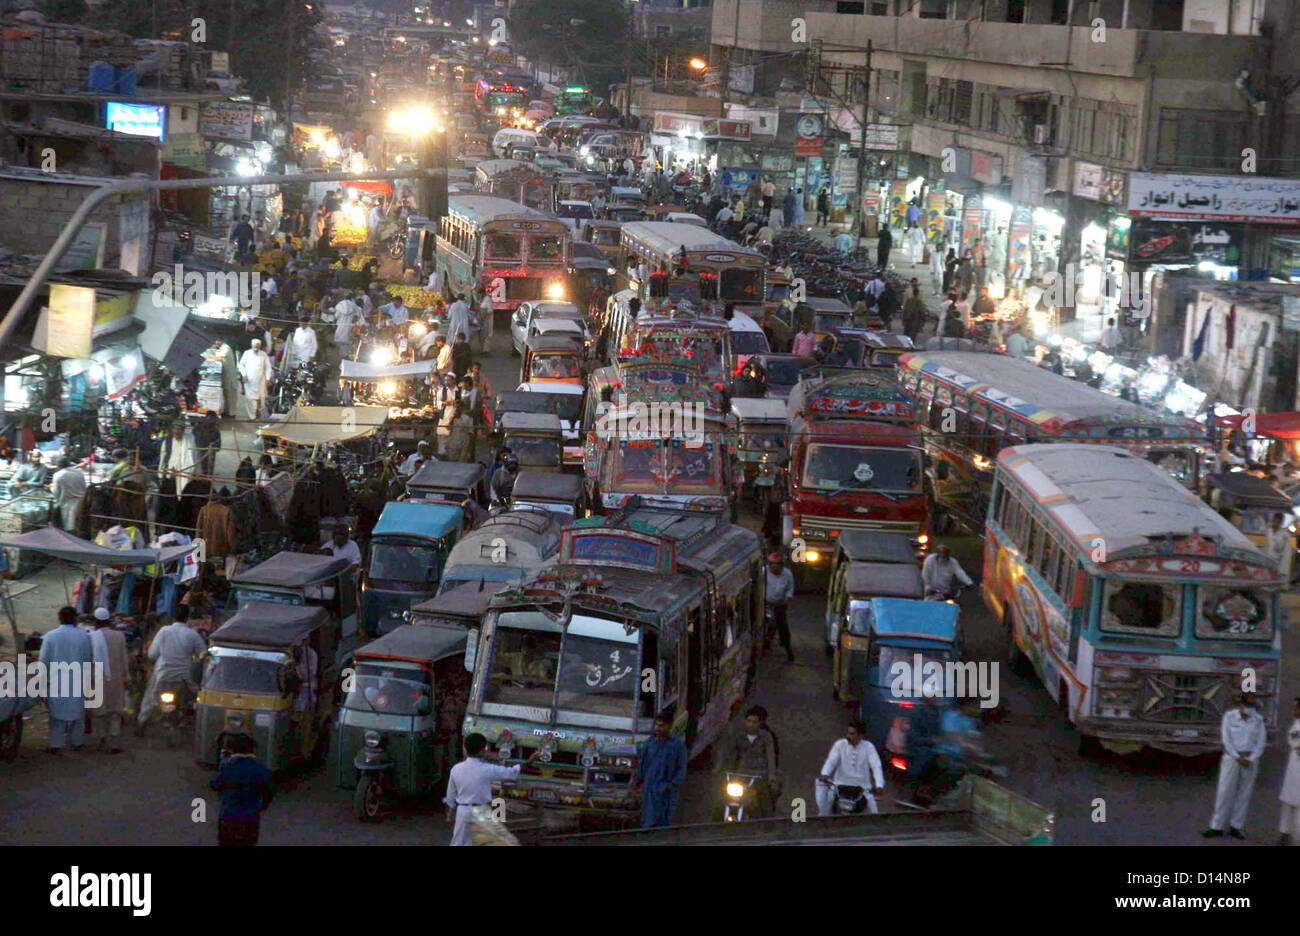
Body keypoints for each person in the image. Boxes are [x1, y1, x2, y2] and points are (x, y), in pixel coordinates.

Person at [445, 732, 543, 845]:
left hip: (462, 811)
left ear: (465, 749)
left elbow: (450, 798)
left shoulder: (456, 769)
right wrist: (530, 760)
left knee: (459, 843)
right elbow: (513, 772)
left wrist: (450, 815)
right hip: (481, 813)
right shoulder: (487, 769)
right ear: (483, 750)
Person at [1204, 692, 1267, 839]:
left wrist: (1251, 758)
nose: (1249, 709)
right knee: (1225, 792)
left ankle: (1236, 826)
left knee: (1244, 794)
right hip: (1232, 758)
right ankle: (1217, 826)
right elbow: (1226, 739)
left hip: (1250, 759)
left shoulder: (1258, 720)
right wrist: (1238, 757)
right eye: (1247, 705)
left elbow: (1261, 742)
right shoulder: (1230, 717)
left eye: (1252, 706)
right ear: (1241, 704)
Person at [136, 608, 208, 731]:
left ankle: (142, 721)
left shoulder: (164, 631)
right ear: (188, 619)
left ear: (173, 618)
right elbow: (204, 655)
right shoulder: (192, 635)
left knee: (149, 697)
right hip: (184, 677)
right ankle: (188, 721)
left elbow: (152, 655)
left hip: (162, 674)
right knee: (194, 698)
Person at [39, 607, 92, 753]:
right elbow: (87, 660)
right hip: (77, 680)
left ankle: (55, 744)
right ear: (75, 618)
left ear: (59, 618)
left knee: (56, 716)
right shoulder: (84, 637)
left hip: (56, 681)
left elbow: (43, 661)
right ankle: (76, 742)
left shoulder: (50, 636)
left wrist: (42, 683)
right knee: (77, 714)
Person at [210, 732, 275, 845]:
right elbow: (268, 793)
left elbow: (215, 785)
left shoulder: (226, 766)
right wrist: (262, 806)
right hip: (250, 817)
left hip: (228, 815)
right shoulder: (260, 768)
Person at [715, 706, 779, 817]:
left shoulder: (766, 736)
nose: (751, 724)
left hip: (760, 775)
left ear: (760, 723)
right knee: (723, 796)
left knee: (766, 799)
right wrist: (719, 768)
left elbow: (770, 756)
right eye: (749, 721)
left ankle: (767, 821)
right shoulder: (738, 735)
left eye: (754, 722)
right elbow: (728, 752)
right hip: (742, 773)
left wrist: (771, 775)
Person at [816, 720, 885, 816]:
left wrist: (879, 785)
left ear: (860, 736)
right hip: (839, 786)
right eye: (848, 733)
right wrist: (825, 773)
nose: (848, 736)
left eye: (852, 734)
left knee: (874, 814)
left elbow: (876, 767)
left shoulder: (869, 747)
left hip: (862, 789)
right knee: (824, 811)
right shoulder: (840, 745)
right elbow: (831, 761)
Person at [634, 713, 689, 828]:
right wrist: (637, 781)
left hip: (666, 792)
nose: (657, 728)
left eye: (661, 726)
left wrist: (672, 785)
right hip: (649, 789)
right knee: (647, 822)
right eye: (656, 725)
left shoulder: (677, 746)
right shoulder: (650, 743)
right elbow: (642, 764)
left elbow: (682, 768)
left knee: (663, 822)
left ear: (669, 727)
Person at [87, 607, 128, 754]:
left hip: (97, 678)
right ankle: (114, 742)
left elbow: (88, 659)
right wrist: (126, 676)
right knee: (115, 711)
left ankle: (101, 740)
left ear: (96, 622)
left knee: (99, 711)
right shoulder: (120, 636)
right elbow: (124, 659)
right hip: (115, 678)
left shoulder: (91, 636)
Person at [765, 552, 795, 661]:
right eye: (773, 565)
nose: (776, 568)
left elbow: (790, 589)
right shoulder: (764, 572)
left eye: (778, 565)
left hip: (780, 604)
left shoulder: (787, 574)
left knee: (783, 627)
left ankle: (788, 649)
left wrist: (786, 599)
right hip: (765, 603)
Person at [1279, 698, 1300, 845]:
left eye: (1295, 708)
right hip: (1294, 770)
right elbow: (1297, 747)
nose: (1293, 711)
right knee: (1289, 804)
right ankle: (1285, 834)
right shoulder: (1295, 727)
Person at [238, 338, 273, 420]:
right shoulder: (247, 353)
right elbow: (241, 365)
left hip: (261, 381)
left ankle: (258, 410)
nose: (256, 350)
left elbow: (268, 367)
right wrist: (244, 375)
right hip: (249, 380)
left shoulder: (263, 355)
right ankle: (252, 416)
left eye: (258, 348)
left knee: (261, 399)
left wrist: (268, 378)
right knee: (250, 399)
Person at [50, 455, 86, 532]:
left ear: (58, 465)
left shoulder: (58, 475)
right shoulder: (79, 472)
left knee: (69, 529)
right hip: (81, 503)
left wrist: (50, 487)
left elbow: (56, 494)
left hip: (67, 504)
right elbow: (83, 486)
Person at [1264, 513, 1294, 582]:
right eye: (1275, 521)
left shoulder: (1285, 535)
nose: (1276, 523)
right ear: (1273, 520)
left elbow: (1286, 555)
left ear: (1281, 523)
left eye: (1279, 522)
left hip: (1277, 566)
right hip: (1266, 563)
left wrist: (1282, 571)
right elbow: (1265, 547)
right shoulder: (1268, 531)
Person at [193, 410, 221, 477]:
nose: (213, 420)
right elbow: (196, 442)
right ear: (207, 418)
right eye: (211, 418)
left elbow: (218, 446)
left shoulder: (216, 431)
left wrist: (212, 448)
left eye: (214, 418)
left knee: (208, 473)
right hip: (199, 454)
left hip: (210, 456)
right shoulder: (198, 428)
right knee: (199, 471)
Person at [475, 288, 495, 355]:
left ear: (483, 293)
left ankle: (486, 351)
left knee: (486, 336)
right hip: (481, 320)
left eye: (480, 294)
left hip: (487, 320)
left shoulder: (488, 300)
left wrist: (485, 321)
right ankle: (482, 350)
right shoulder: (481, 300)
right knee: (481, 336)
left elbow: (490, 312)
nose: (479, 296)